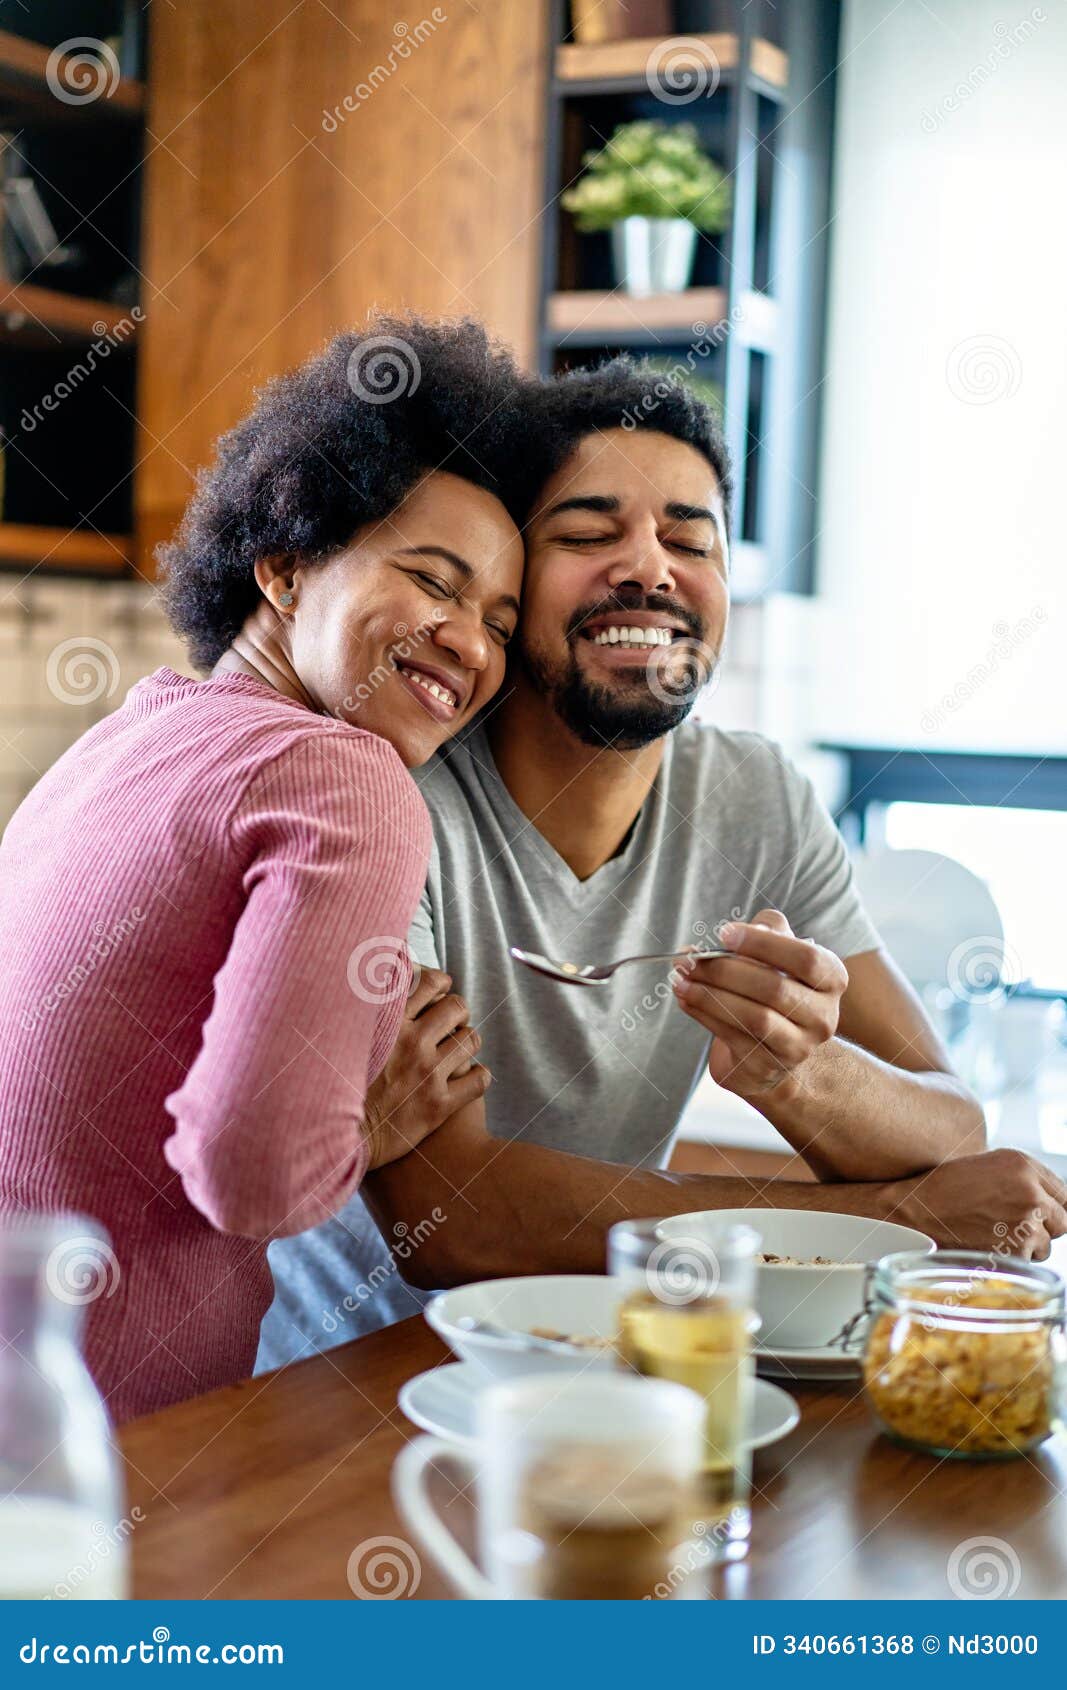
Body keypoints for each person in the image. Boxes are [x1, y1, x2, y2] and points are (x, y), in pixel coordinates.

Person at [260, 354, 1066, 1369]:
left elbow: (949, 1124)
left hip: (613, 1370)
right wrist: (892, 1212)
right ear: (506, 581)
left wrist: (800, 1076)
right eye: (588, 533)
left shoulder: (756, 799)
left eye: (690, 539)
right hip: (338, 1395)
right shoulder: (392, 789)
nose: (648, 566)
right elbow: (452, 1218)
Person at [0, 316, 525, 1421]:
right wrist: (364, 1130)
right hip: (102, 1451)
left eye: (499, 621)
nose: (470, 642)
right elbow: (251, 1170)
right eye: (433, 581)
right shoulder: (345, 779)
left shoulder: (129, 733)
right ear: (285, 566)